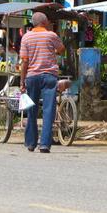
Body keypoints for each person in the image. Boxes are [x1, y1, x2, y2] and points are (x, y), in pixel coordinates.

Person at [19, 12, 65, 153]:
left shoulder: (26, 37)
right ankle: (44, 144)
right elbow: (62, 50)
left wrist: (22, 81)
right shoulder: (51, 35)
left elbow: (24, 61)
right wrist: (52, 52)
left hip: (32, 76)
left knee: (31, 110)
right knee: (48, 110)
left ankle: (31, 143)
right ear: (45, 22)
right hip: (49, 76)